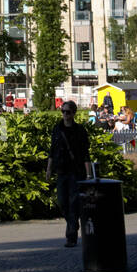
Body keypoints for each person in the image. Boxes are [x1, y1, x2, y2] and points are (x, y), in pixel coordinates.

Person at [46, 100, 92, 247]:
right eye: (63, 111)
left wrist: (88, 174)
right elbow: (52, 151)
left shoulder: (80, 131)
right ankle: (74, 224)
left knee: (73, 203)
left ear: (73, 113)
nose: (65, 114)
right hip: (61, 170)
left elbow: (85, 154)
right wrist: (49, 169)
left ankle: (71, 236)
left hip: (75, 171)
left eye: (68, 112)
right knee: (62, 202)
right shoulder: (57, 129)